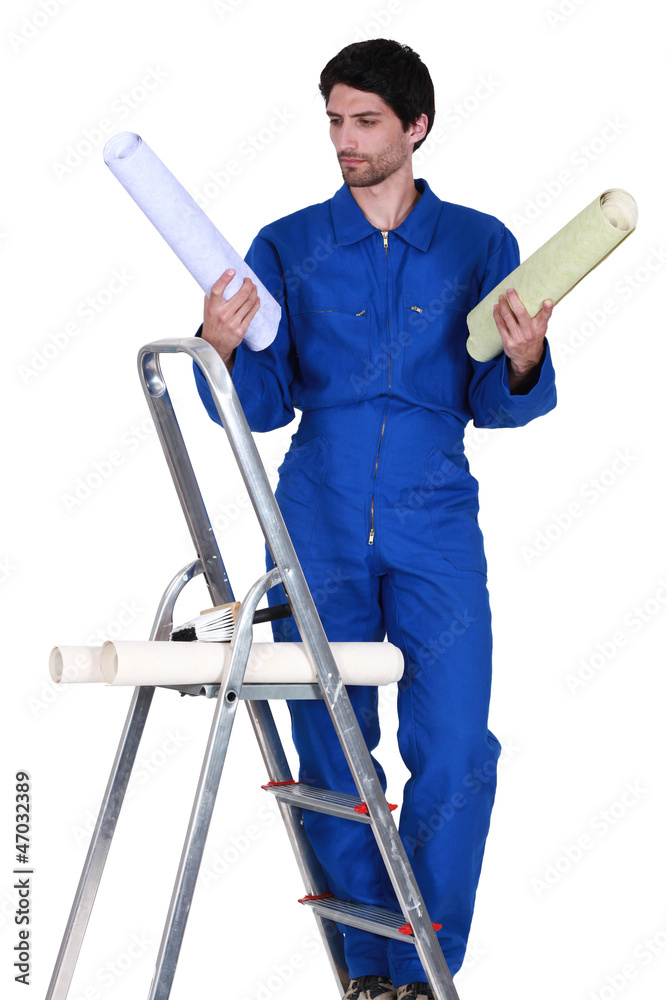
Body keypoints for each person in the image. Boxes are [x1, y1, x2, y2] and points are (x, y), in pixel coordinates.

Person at [193, 39, 556, 1000]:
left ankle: (422, 967)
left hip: (434, 515)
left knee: (457, 751)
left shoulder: (478, 242)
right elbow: (262, 404)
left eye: (364, 123)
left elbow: (495, 398)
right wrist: (220, 350)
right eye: (333, 121)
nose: (344, 141)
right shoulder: (288, 243)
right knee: (331, 746)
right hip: (315, 507)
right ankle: (366, 973)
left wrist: (523, 359)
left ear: (415, 127)